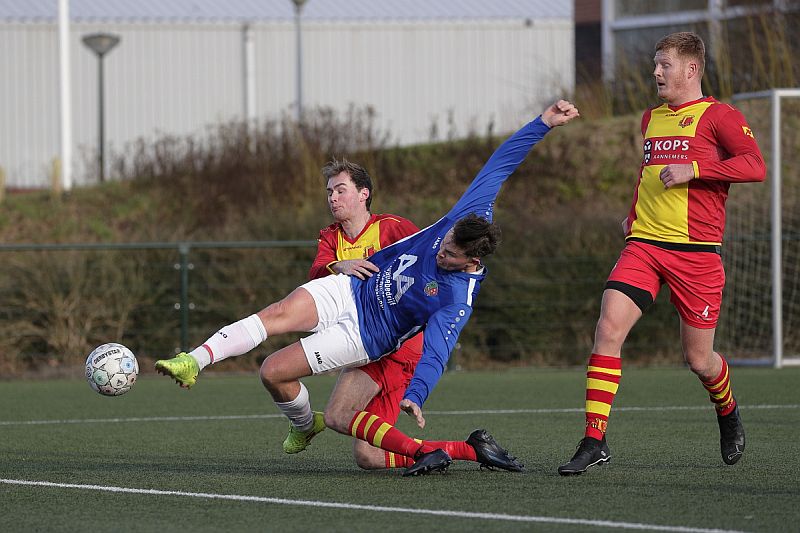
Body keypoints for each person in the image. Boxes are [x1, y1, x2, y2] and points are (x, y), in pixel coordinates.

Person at [156, 99, 580, 475]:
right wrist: (542, 122)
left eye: (449, 257)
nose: (440, 254)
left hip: (368, 336)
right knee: (280, 312)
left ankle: (456, 450)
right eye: (444, 244)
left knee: (339, 422)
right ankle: (195, 360)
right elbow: (501, 163)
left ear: (472, 262)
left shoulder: (457, 297)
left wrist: (417, 394)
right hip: (351, 290)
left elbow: (438, 349)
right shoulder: (465, 215)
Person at [557, 32, 765, 476]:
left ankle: (727, 411)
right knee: (608, 328)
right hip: (645, 246)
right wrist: (632, 214)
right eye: (655, 65)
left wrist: (695, 168)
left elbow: (754, 165)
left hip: (697, 255)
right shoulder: (650, 118)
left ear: (691, 70)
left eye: (664, 65)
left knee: (699, 360)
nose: (656, 72)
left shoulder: (720, 116)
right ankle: (594, 440)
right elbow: (647, 174)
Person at [296, 158, 511, 472]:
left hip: (395, 346)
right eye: (329, 191)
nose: (332, 197)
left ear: (363, 194)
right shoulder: (330, 236)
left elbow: (436, 336)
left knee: (334, 413)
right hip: (369, 337)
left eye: (340, 190)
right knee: (368, 457)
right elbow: (317, 273)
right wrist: (340, 266)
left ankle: (295, 414)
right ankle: (468, 449)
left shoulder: (394, 228)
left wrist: (419, 391)